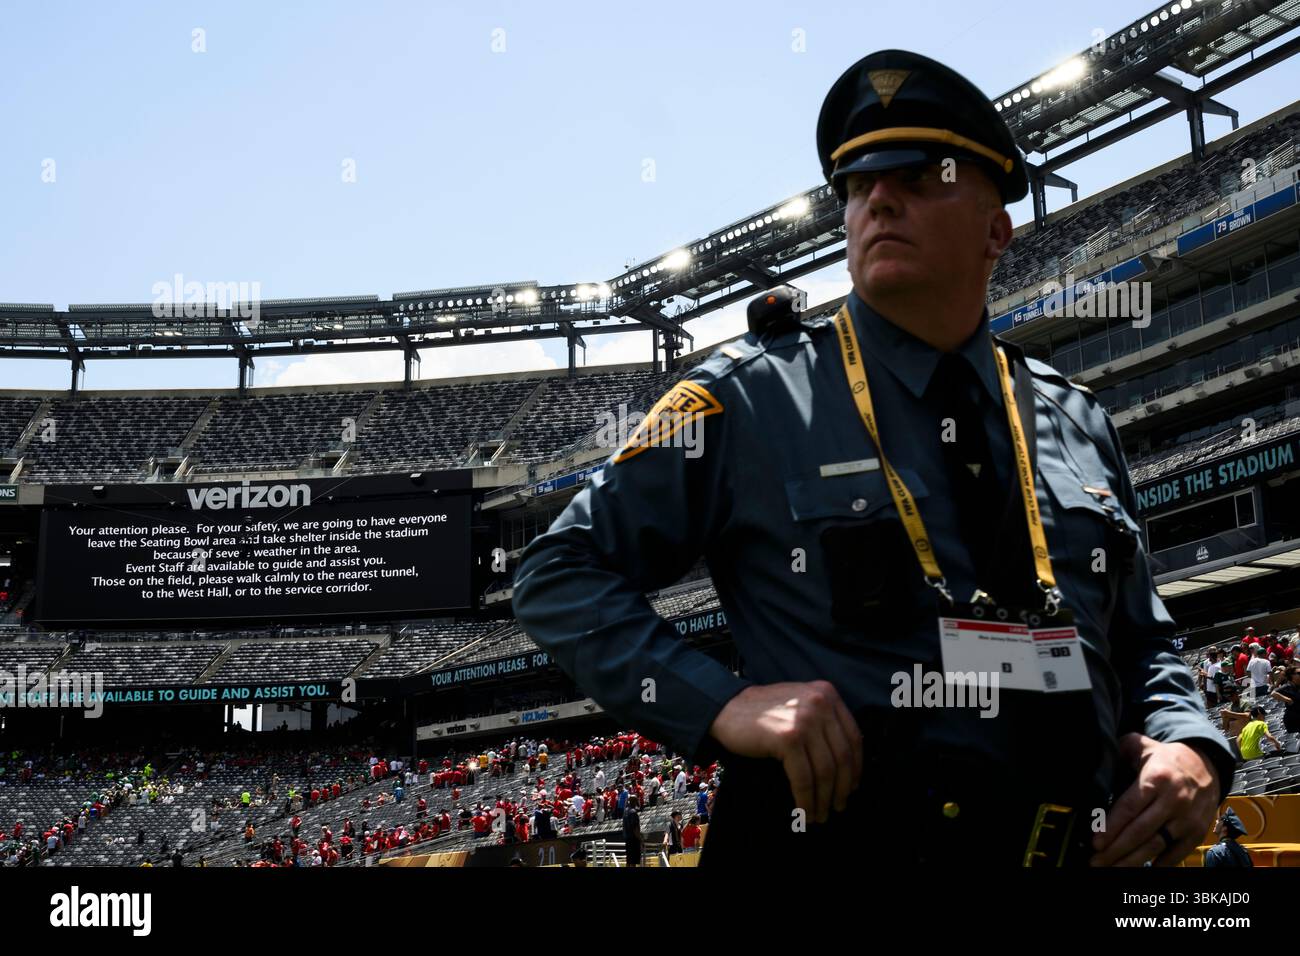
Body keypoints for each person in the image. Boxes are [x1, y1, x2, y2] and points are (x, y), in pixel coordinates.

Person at [511, 48, 1233, 868]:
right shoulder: (750, 398)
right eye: (859, 186)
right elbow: (558, 573)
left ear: (998, 228)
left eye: (923, 177)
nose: (880, 198)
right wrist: (721, 703)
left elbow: (1146, 642)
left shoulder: (1076, 418)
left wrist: (1194, 748)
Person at [623, 803, 642, 868]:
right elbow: (635, 828)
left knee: (629, 860)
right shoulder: (633, 812)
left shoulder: (625, 812)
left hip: (627, 839)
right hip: (633, 839)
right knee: (633, 861)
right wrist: (640, 839)